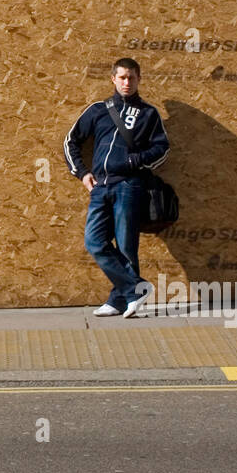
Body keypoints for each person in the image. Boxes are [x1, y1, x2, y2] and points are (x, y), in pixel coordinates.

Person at [62, 57, 170, 317]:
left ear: (138, 79)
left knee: (125, 245)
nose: (126, 82)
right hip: (100, 187)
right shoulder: (99, 109)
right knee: (94, 241)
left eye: (131, 77)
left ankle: (119, 300)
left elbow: (162, 148)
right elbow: (70, 141)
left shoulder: (148, 113)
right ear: (113, 79)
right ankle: (134, 289)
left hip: (129, 186)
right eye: (122, 77)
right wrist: (81, 172)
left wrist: (135, 160)